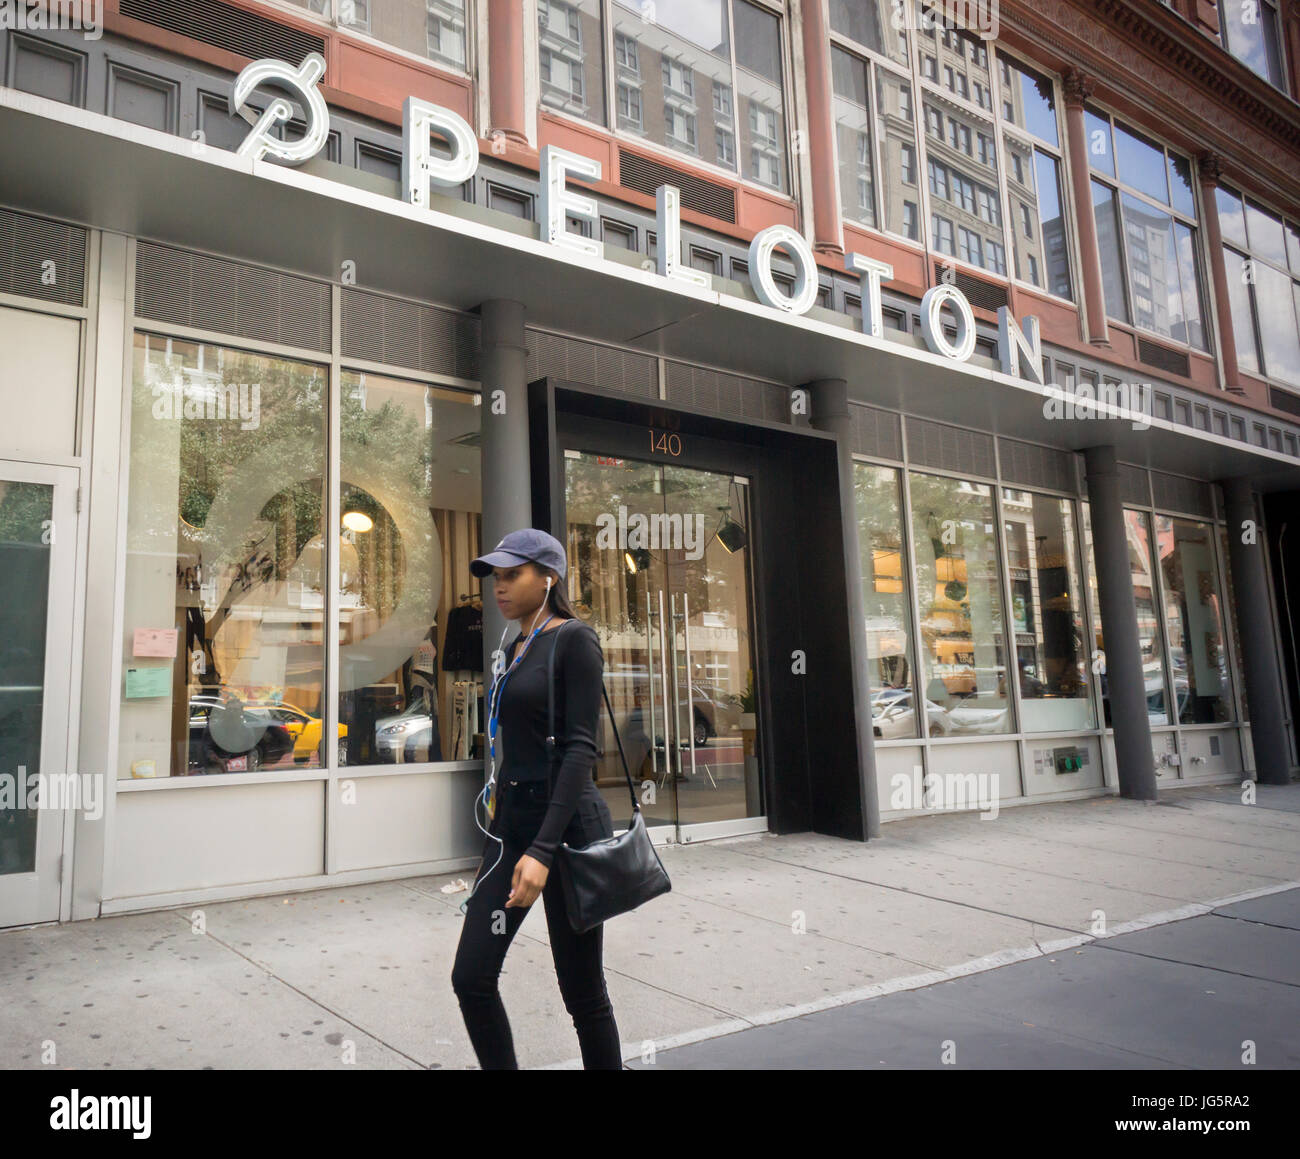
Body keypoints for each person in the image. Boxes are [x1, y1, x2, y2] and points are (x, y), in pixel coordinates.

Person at [450, 528, 623, 1070]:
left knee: (582, 992)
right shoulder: (511, 646)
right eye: (494, 577)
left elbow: (579, 750)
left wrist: (544, 852)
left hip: (566, 831)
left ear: (548, 578)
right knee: (472, 976)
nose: (497, 588)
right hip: (512, 829)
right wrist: (503, 835)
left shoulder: (575, 639)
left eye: (511, 575)